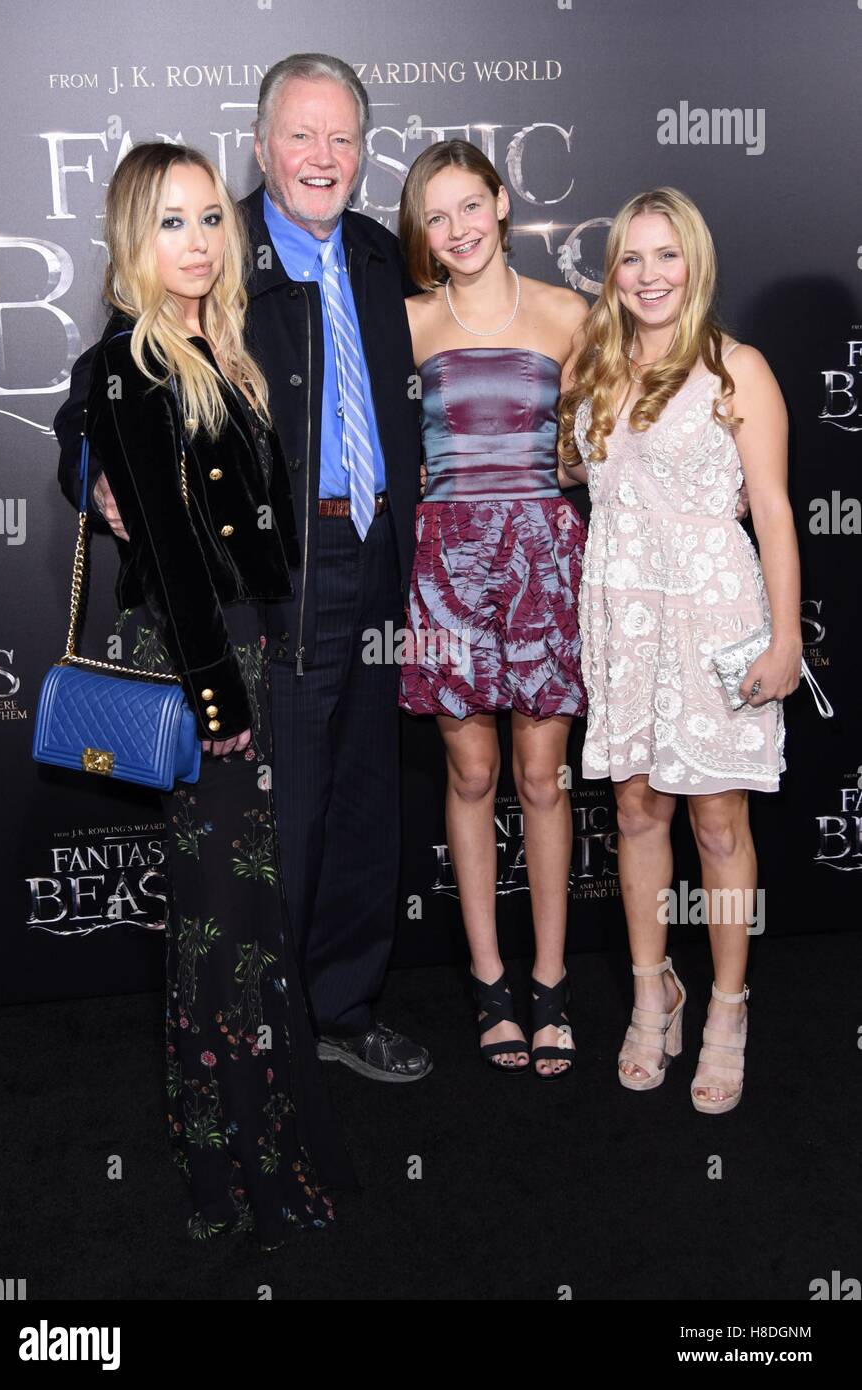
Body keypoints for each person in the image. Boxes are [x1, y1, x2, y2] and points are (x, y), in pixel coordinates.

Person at [56, 55, 429, 1082]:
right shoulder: (220, 252)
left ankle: (345, 1008)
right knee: (282, 811)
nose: (322, 157)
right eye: (300, 137)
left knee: (363, 803)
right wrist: (94, 475)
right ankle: (274, 1040)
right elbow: (102, 390)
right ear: (261, 148)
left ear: (363, 152)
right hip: (273, 582)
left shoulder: (378, 252)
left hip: (381, 560)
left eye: (342, 138)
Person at [79, 140, 357, 1248]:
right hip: (198, 665)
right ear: (132, 241)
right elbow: (173, 554)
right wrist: (217, 701)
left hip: (246, 656)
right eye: (170, 224)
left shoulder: (224, 345)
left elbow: (254, 529)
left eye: (207, 220)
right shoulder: (127, 364)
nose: (195, 242)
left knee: (245, 919)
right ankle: (223, 1163)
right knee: (219, 926)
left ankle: (263, 1146)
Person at [557, 186, 803, 1113]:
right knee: (633, 813)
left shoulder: (739, 368)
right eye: (631, 258)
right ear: (612, 271)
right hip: (623, 615)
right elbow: (581, 472)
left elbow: (773, 510)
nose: (650, 276)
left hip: (711, 617)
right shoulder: (594, 361)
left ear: (695, 265)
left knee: (717, 824)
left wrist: (784, 640)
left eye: (667, 257)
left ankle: (727, 1006)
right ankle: (649, 989)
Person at [397, 140, 590, 1080]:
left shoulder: (568, 315)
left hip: (542, 562)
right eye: (436, 217)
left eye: (468, 206)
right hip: (444, 566)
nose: (457, 230)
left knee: (542, 778)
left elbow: (606, 446)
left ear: (502, 202)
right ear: (421, 235)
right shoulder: (405, 322)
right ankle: (487, 981)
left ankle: (550, 983)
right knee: (471, 775)